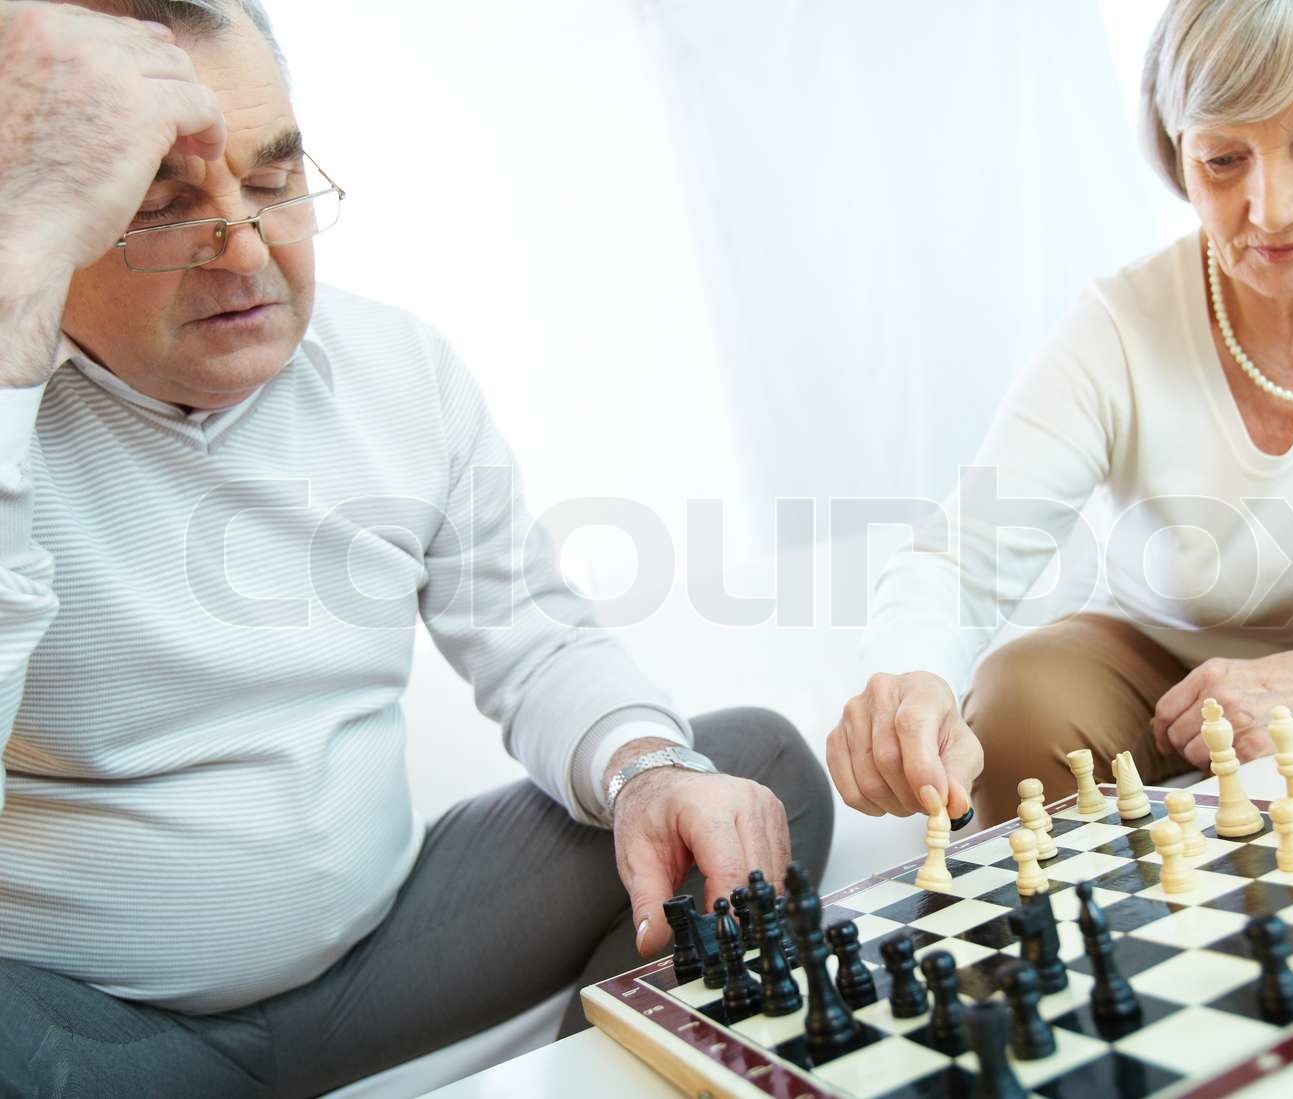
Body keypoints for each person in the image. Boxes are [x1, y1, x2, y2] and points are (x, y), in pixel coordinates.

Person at [0, 1, 832, 1094]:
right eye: (162, 207)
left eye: (273, 179)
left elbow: (534, 642)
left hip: (378, 964)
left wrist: (645, 771)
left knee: (745, 778)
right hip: (85, 1022)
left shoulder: (399, 370)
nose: (244, 247)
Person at [827, 0, 1293, 827]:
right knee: (1020, 697)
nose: (1269, 209)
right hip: (1165, 672)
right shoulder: (1122, 322)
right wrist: (908, 678)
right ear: (1177, 153)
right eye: (1224, 158)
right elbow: (960, 555)